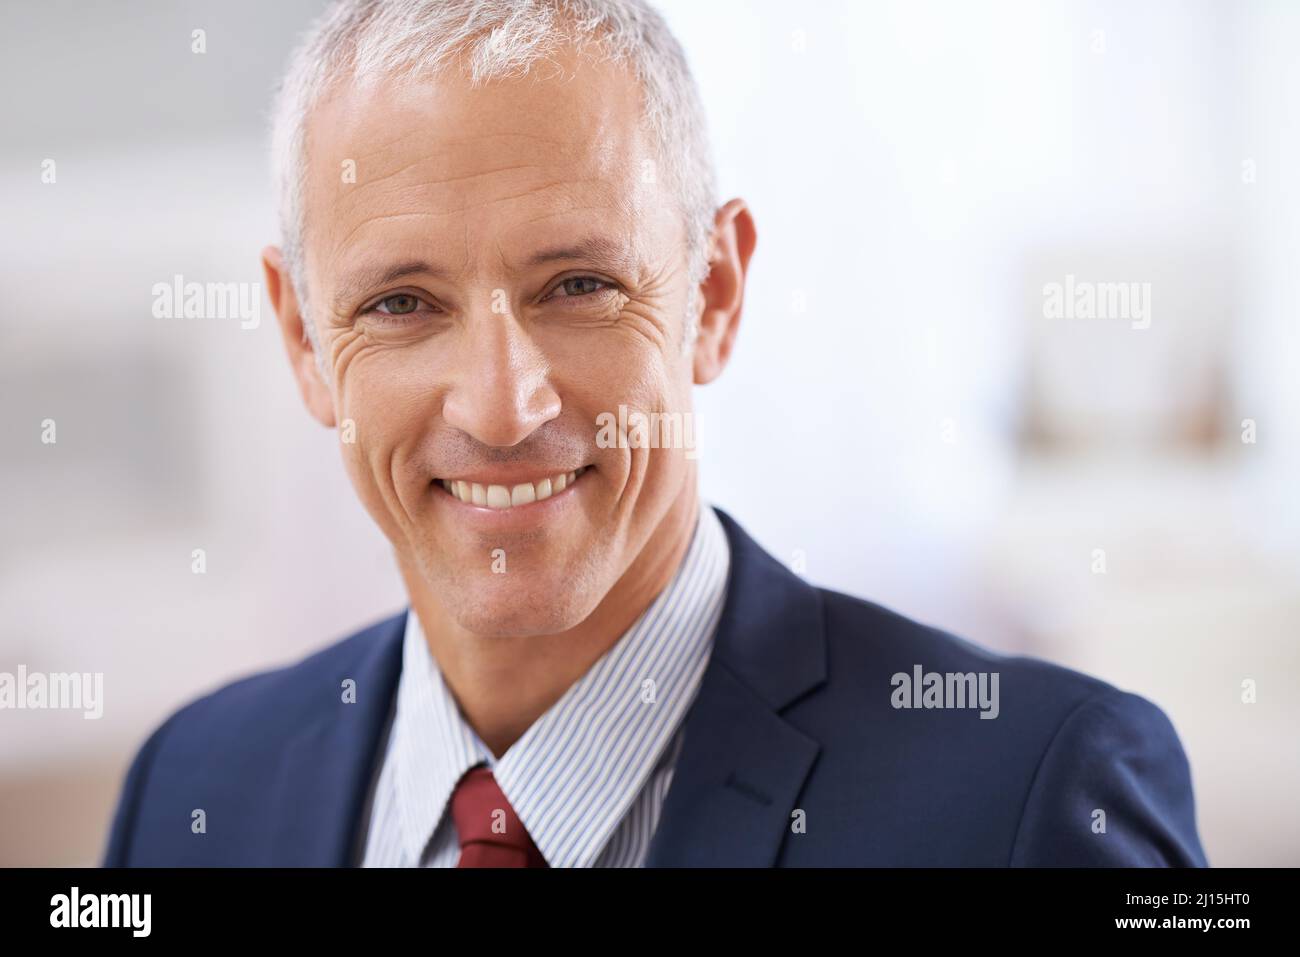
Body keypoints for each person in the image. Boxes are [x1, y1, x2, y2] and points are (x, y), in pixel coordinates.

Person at [102, 0, 1207, 867]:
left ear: (714, 296)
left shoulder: (1028, 796)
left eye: (578, 284)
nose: (500, 408)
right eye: (401, 303)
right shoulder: (193, 791)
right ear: (303, 338)